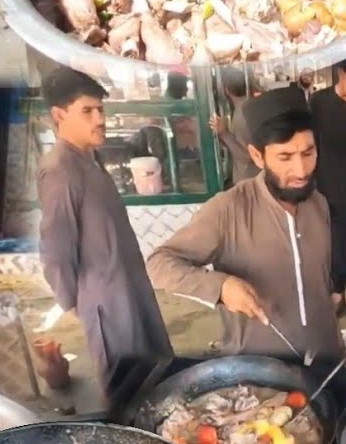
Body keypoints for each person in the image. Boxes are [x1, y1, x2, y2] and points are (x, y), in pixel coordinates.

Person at [147, 86, 343, 360]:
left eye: (308, 153)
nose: (301, 170)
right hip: (261, 372)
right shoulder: (227, 209)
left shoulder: (318, 203)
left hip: (326, 361)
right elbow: (158, 263)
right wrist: (221, 286)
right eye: (284, 157)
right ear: (257, 156)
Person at [36, 69, 175, 392]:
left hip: (130, 287)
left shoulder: (90, 159)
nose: (100, 119)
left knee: (159, 377)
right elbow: (56, 249)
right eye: (87, 111)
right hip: (107, 301)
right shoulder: (60, 169)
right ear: (59, 115)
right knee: (130, 389)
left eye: (101, 110)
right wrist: (80, 303)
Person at [310, 64, 346, 310]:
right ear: (342, 74)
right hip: (330, 186)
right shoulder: (319, 102)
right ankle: (337, 291)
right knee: (335, 243)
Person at [212, 69, 260, 184]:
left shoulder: (242, 114)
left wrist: (224, 133)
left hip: (249, 180)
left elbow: (247, 157)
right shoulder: (246, 108)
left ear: (226, 90)